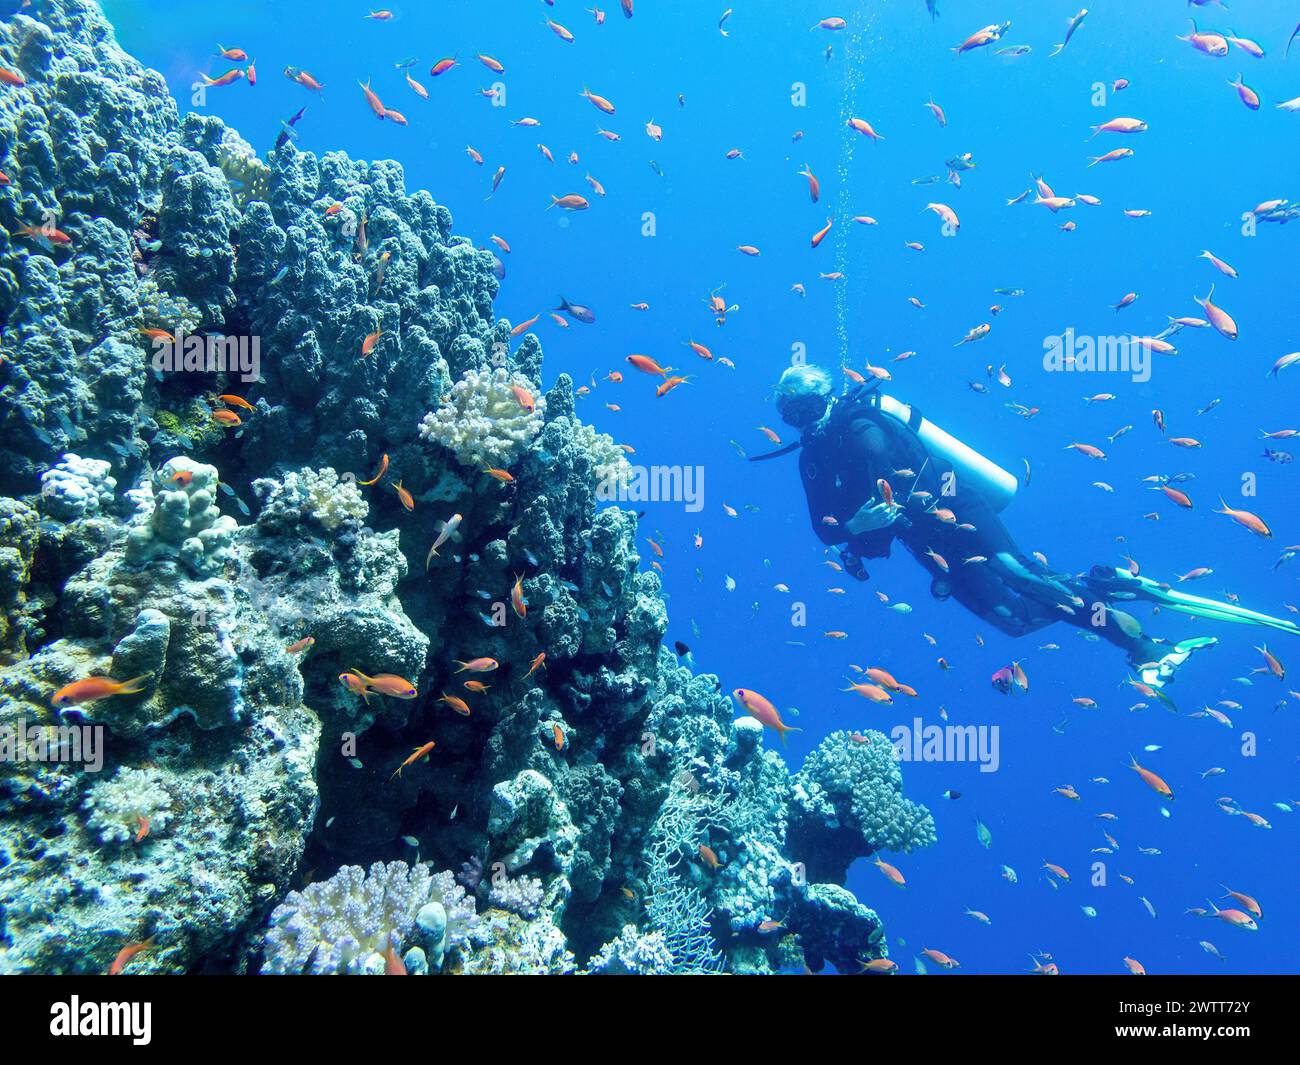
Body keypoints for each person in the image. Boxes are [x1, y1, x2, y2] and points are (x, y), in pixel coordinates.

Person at [756, 364, 1299, 691]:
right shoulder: (812, 459)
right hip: (928, 543)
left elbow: (885, 476)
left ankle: (1143, 648)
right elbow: (825, 528)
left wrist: (872, 518)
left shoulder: (863, 425)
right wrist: (856, 524)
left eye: (806, 409)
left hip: (954, 507)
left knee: (1021, 572)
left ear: (825, 397)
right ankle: (1109, 586)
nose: (803, 422)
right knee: (1012, 620)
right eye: (792, 415)